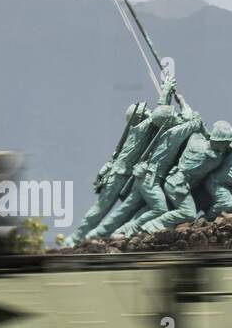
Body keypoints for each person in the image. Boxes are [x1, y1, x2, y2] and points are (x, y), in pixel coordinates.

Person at [90, 91, 204, 239]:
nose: (177, 117)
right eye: (173, 116)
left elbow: (164, 114)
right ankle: (129, 230)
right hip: (150, 180)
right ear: (168, 122)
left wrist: (167, 92)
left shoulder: (162, 131)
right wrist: (182, 102)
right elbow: (194, 121)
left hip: (143, 177)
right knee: (160, 209)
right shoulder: (173, 134)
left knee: (125, 210)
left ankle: (99, 233)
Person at [68, 97, 175, 246]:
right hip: (118, 175)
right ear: (141, 116)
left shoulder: (140, 128)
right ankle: (76, 238)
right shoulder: (141, 128)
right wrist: (166, 91)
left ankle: (101, 234)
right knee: (100, 208)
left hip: (125, 175)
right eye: (146, 110)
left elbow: (161, 115)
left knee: (126, 208)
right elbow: (160, 114)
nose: (149, 111)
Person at [140, 120, 232, 233]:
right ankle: (153, 225)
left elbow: (198, 132)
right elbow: (216, 157)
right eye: (226, 142)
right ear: (218, 141)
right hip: (178, 185)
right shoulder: (209, 157)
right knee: (188, 213)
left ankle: (167, 227)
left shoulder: (197, 142)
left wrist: (200, 126)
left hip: (176, 181)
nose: (228, 145)